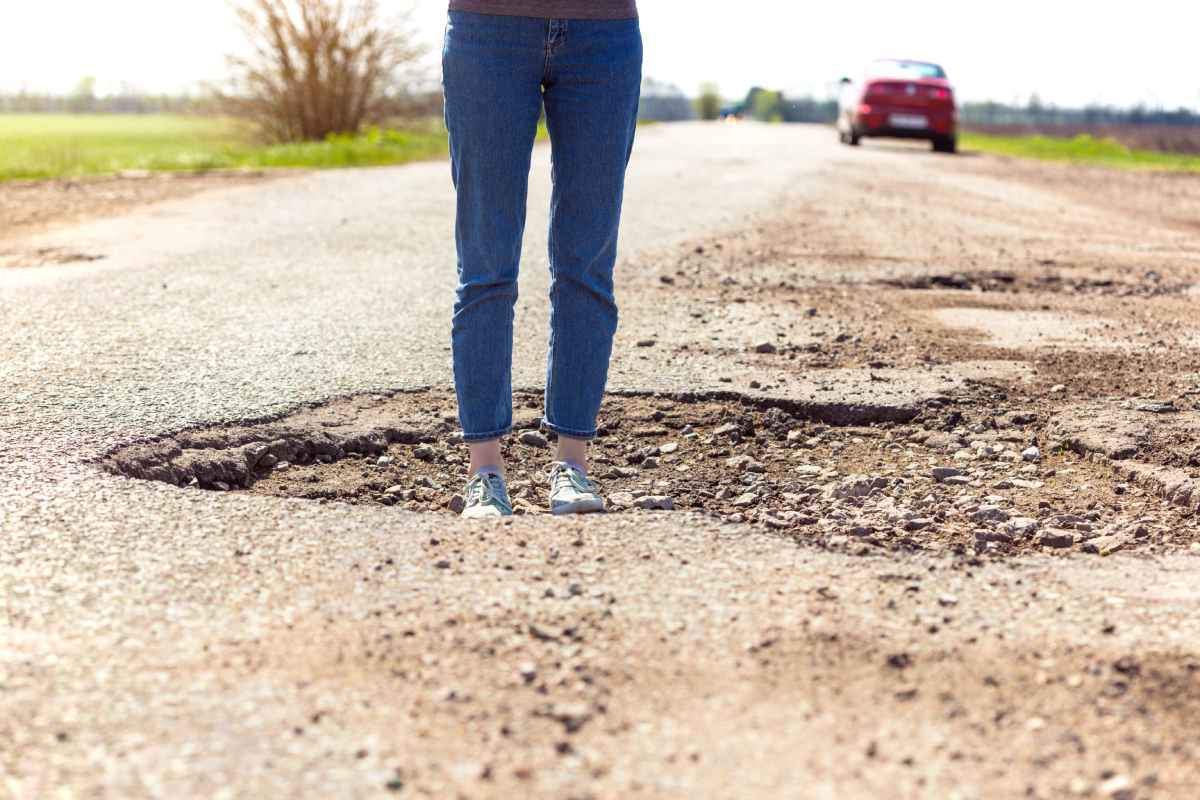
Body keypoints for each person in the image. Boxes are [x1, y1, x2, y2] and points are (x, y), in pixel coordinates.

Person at [441, 0, 643, 517]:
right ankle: (485, 470)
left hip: (605, 36)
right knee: (487, 265)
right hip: (488, 30)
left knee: (587, 264)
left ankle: (572, 463)